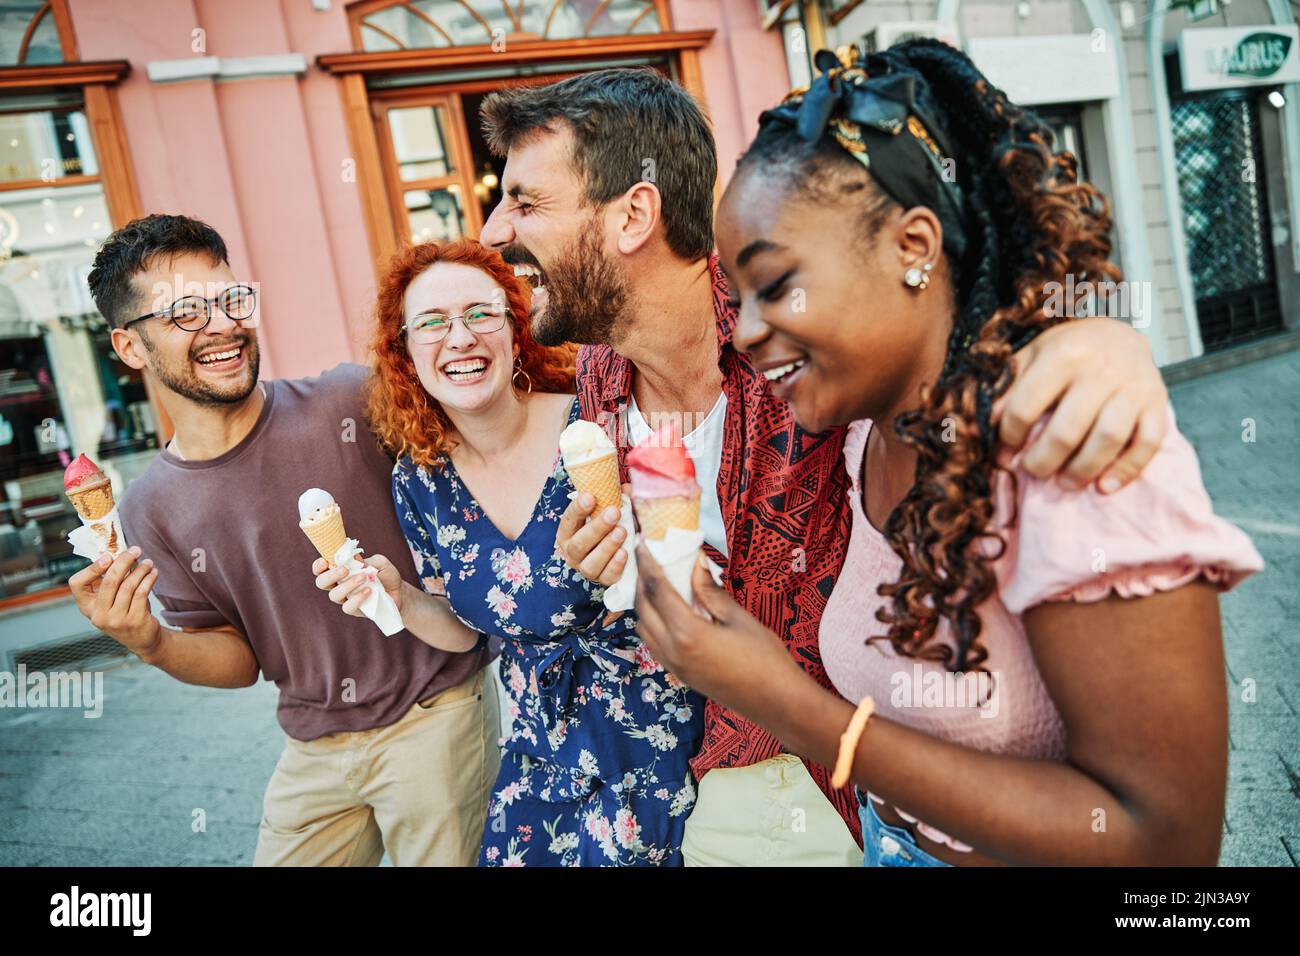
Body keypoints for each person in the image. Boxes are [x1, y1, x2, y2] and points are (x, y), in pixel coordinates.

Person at [477, 67, 1176, 864]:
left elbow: (945, 335)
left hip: (844, 784)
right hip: (728, 774)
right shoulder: (603, 374)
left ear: (635, 213)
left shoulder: (810, 351)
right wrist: (612, 559)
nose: (497, 229)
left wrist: (1100, 342)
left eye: (525, 202)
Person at [632, 41, 1263, 866]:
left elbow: (1164, 844)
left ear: (914, 247)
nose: (744, 330)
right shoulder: (858, 429)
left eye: (776, 284)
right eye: (739, 295)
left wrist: (788, 706)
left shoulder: (1073, 444)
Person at [70, 214, 497, 866]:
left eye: (231, 299)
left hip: (434, 716)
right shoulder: (148, 507)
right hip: (313, 745)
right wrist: (151, 643)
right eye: (186, 312)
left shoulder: (348, 401)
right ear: (130, 348)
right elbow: (238, 659)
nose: (222, 324)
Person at [314, 240, 704, 866]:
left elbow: (694, 551)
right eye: (433, 323)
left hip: (660, 729)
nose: (460, 337)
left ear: (516, 328)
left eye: (481, 313)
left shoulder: (597, 421)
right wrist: (400, 598)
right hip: (539, 751)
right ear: (406, 353)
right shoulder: (421, 479)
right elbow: (466, 636)